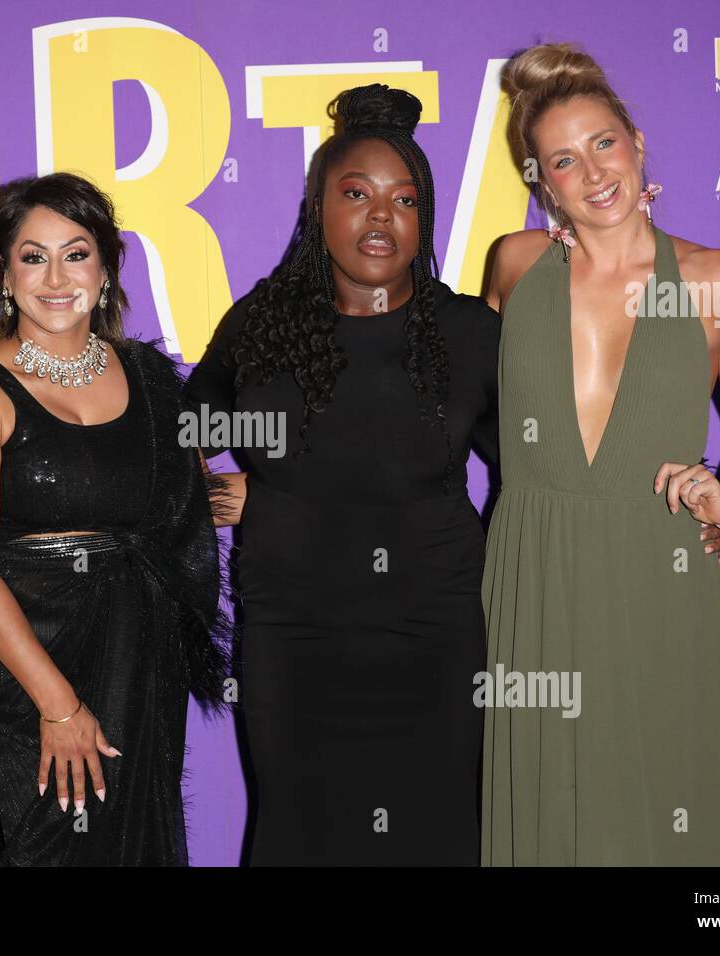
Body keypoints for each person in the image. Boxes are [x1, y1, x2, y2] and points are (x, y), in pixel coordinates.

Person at [481, 42, 720, 865]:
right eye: (563, 160)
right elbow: (460, 409)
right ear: (541, 181)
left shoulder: (717, 280)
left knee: (663, 805)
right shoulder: (514, 267)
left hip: (659, 569)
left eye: (604, 143)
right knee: (545, 811)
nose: (592, 172)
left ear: (637, 142)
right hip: (533, 573)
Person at [186, 85, 499, 865]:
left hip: (434, 635)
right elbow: (183, 433)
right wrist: (232, 495)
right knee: (302, 831)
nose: (381, 217)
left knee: (436, 832)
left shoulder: (468, 333)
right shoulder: (263, 323)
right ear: (318, 209)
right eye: (356, 194)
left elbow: (535, 471)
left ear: (425, 217)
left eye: (405, 199)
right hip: (295, 638)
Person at [0, 173, 229, 866]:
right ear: (4, 275)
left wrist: (289, 495)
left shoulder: (148, 375)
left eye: (77, 254)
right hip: (30, 673)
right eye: (33, 257)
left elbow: (181, 499)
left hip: (138, 662)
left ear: (106, 268)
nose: (57, 278)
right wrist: (58, 705)